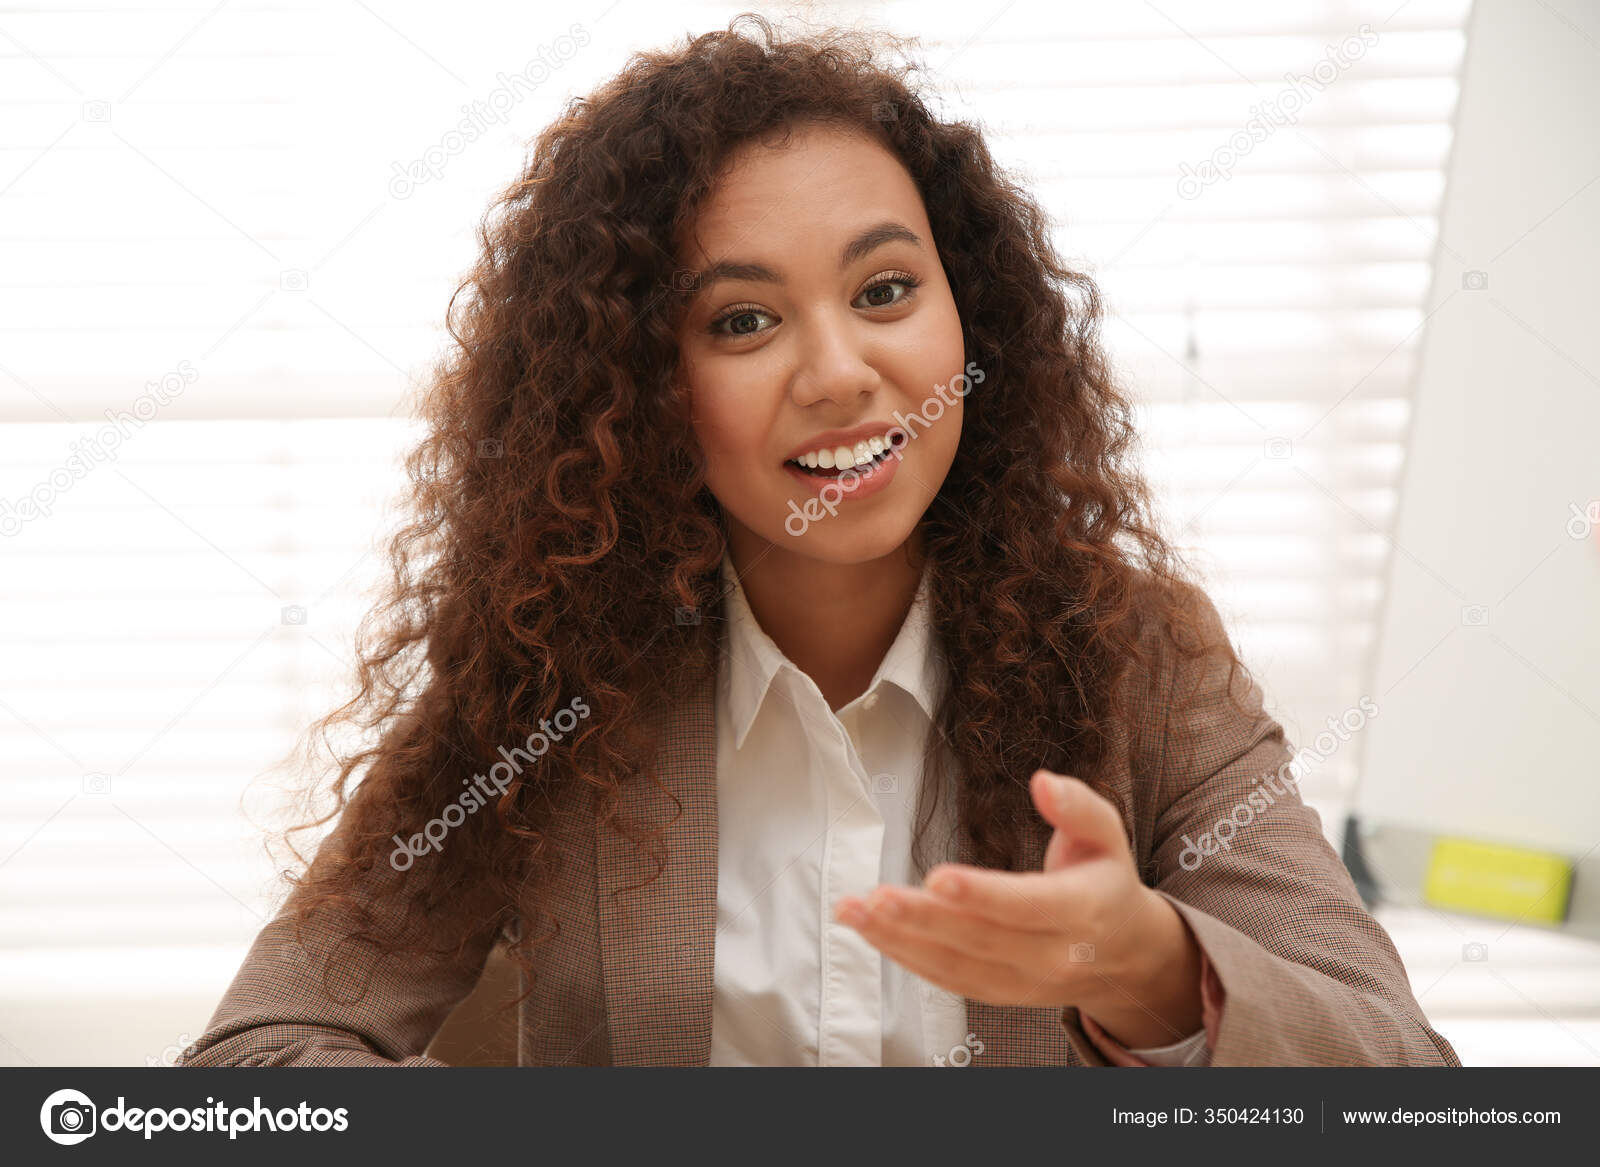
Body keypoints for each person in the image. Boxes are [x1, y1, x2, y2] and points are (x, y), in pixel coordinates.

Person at [179, 14, 1460, 1068]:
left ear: (972, 318)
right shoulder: (549, 678)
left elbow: (1409, 1080)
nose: (842, 373)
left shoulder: (1141, 656)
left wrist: (1161, 975)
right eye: (742, 322)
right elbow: (251, 1065)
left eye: (886, 291)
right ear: (637, 391)